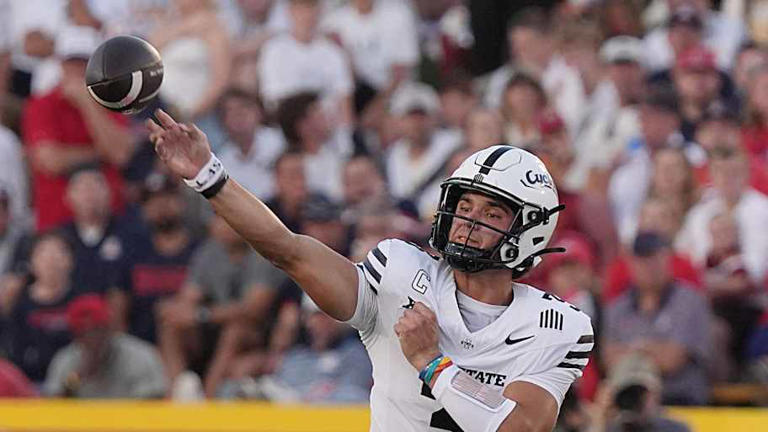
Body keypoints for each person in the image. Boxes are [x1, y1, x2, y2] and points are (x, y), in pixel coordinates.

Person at [147, 109, 593, 431]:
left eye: (492, 214)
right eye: (464, 205)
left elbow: (518, 429)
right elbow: (290, 250)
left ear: (530, 230)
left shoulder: (557, 326)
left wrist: (432, 363)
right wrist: (209, 177)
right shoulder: (399, 272)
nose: (468, 222)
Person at [21, 25, 134, 232]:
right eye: (72, 63)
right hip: (57, 222)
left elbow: (120, 154)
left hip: (110, 220)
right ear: (61, 65)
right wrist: (101, 153)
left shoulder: (112, 102)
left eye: (85, 63)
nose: (78, 70)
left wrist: (87, 103)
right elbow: (51, 161)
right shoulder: (41, 104)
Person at [602, 231, 711, 405]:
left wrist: (634, 352)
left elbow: (672, 360)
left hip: (679, 400)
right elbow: (610, 361)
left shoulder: (690, 301)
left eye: (655, 258)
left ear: (667, 259)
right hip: (629, 403)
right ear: (631, 263)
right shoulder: (617, 307)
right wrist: (652, 350)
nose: (649, 266)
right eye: (642, 260)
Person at [44, 294, 167, 398]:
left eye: (97, 330)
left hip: (130, 423)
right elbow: (52, 412)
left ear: (109, 329)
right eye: (84, 332)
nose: (93, 339)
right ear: (75, 336)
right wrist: (75, 379)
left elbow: (154, 406)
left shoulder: (139, 356)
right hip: (82, 425)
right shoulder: (66, 361)